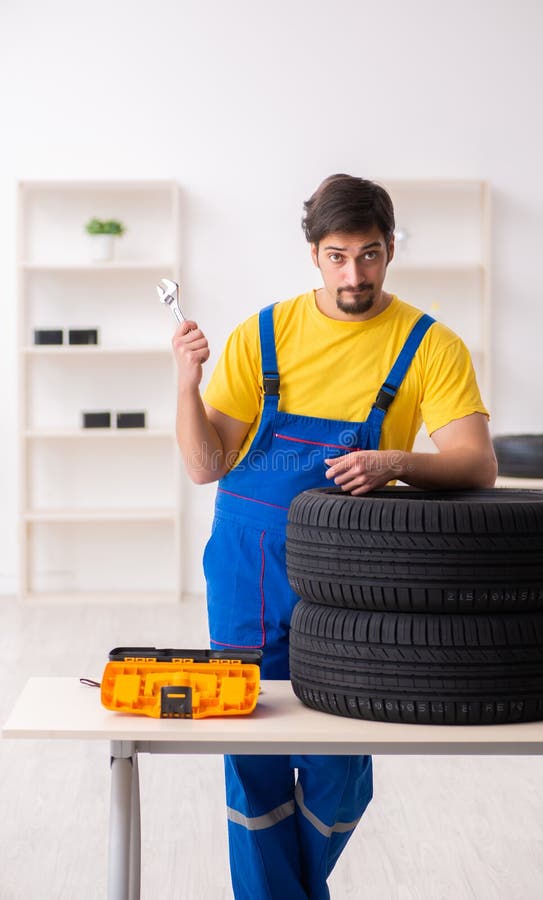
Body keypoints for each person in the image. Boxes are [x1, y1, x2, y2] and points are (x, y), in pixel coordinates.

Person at [172, 173, 498, 899]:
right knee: (250, 749)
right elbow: (203, 465)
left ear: (391, 248)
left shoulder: (429, 345)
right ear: (314, 253)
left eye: (370, 254)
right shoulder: (263, 333)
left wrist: (395, 462)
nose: (355, 275)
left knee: (341, 755)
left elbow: (477, 464)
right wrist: (186, 385)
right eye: (338, 256)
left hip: (353, 576)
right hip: (247, 565)